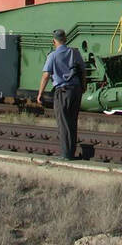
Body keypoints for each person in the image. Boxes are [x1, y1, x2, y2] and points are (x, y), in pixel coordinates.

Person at [37, 29, 85, 160]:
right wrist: (83, 87)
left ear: (54, 41)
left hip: (62, 91)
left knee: (63, 123)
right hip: (76, 90)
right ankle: (71, 151)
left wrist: (40, 93)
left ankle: (66, 154)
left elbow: (46, 75)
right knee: (72, 121)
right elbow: (83, 70)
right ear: (65, 39)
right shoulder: (74, 52)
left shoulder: (52, 56)